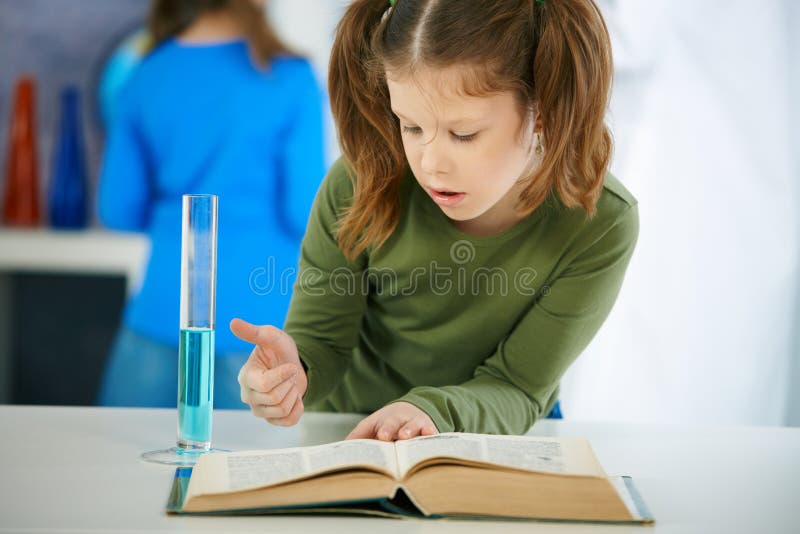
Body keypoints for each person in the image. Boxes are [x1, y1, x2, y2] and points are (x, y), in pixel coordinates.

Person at [231, 0, 638, 439]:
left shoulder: (601, 222)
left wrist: (425, 413)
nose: (431, 164)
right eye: (410, 126)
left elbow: (518, 386)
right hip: (352, 439)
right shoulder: (360, 182)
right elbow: (322, 343)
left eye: (463, 134)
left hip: (499, 441)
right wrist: (293, 374)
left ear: (544, 109)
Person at [96, 0, 325, 408]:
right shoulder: (289, 76)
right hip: (263, 326)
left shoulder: (144, 74)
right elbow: (302, 210)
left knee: (117, 467)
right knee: (253, 472)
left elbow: (118, 208)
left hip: (161, 313)